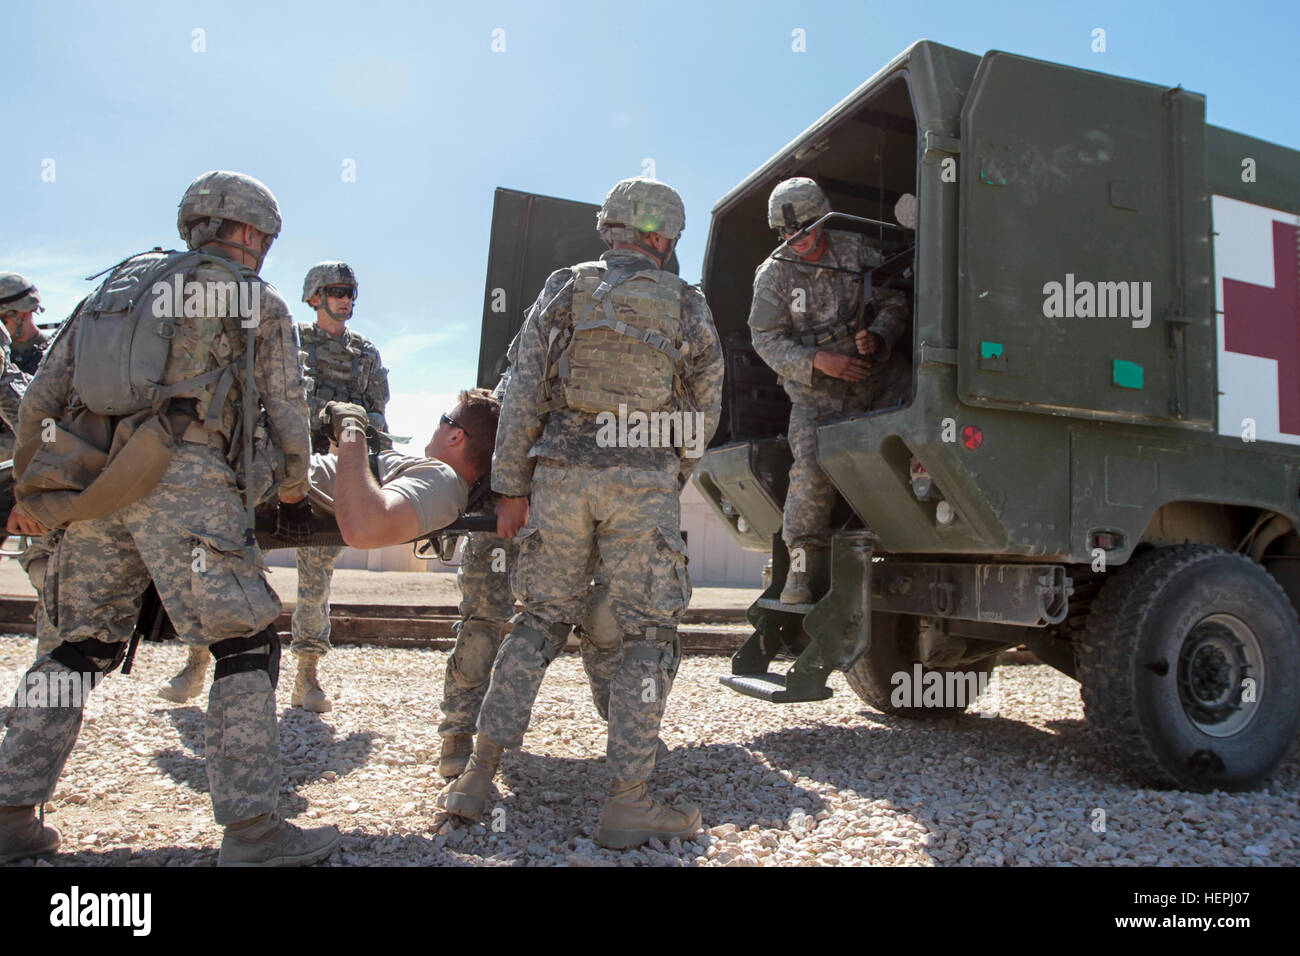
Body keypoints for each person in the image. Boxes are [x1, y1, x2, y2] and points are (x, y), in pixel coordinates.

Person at [0, 170, 340, 867]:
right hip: (185, 480)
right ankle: (253, 832)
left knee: (78, 647)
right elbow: (287, 415)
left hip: (95, 486)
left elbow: (39, 399)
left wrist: (38, 493)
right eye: (265, 236)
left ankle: (9, 811)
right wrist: (295, 491)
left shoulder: (115, 292)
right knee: (244, 641)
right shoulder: (252, 299)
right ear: (246, 231)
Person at [437, 177, 724, 850]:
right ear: (663, 236)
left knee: (536, 622)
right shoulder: (685, 305)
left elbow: (524, 390)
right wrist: (665, 471)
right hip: (640, 479)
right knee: (648, 635)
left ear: (613, 229)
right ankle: (630, 802)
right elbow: (705, 407)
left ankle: (475, 782)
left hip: (561, 476)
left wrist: (510, 486)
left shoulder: (564, 287)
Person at [158, 261, 390, 711]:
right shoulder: (291, 339)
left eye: (350, 292)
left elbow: (378, 416)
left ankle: (307, 676)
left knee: (317, 573)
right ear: (314, 297)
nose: (346, 299)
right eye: (336, 290)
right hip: (277, 464)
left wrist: (350, 427)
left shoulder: (365, 354)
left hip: (332, 475)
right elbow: (268, 395)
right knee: (231, 563)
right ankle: (199, 662)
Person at [748, 177, 910, 604]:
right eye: (784, 232)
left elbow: (898, 300)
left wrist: (878, 336)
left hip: (877, 379)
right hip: (817, 394)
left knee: (919, 420)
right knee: (809, 472)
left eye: (800, 228)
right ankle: (799, 573)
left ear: (821, 219)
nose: (793, 239)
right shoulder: (774, 274)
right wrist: (820, 362)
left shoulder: (855, 251)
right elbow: (765, 339)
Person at [0, 272, 59, 658]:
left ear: (23, 313)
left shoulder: (55, 353)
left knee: (47, 575)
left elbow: (37, 422)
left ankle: (48, 674)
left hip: (35, 477)